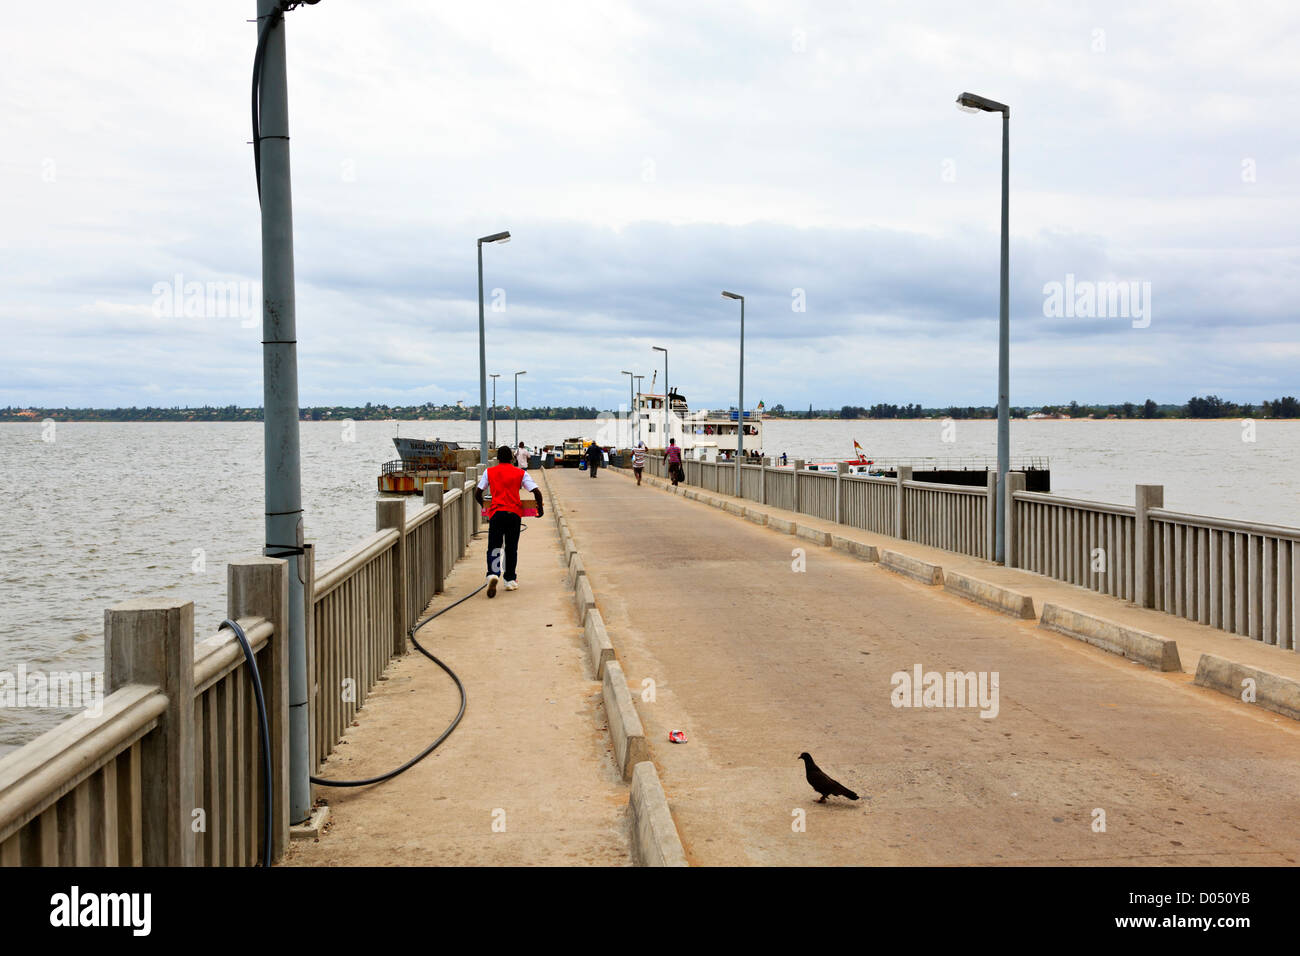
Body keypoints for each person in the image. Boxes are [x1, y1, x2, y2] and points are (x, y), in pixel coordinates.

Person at [474, 445, 543, 598]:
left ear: (498, 458)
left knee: (494, 546)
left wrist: (485, 507)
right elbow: (536, 491)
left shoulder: (489, 472)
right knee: (511, 548)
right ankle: (510, 580)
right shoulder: (520, 472)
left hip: (497, 514)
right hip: (514, 514)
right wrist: (540, 509)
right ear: (512, 458)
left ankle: (493, 573)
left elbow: (478, 493)